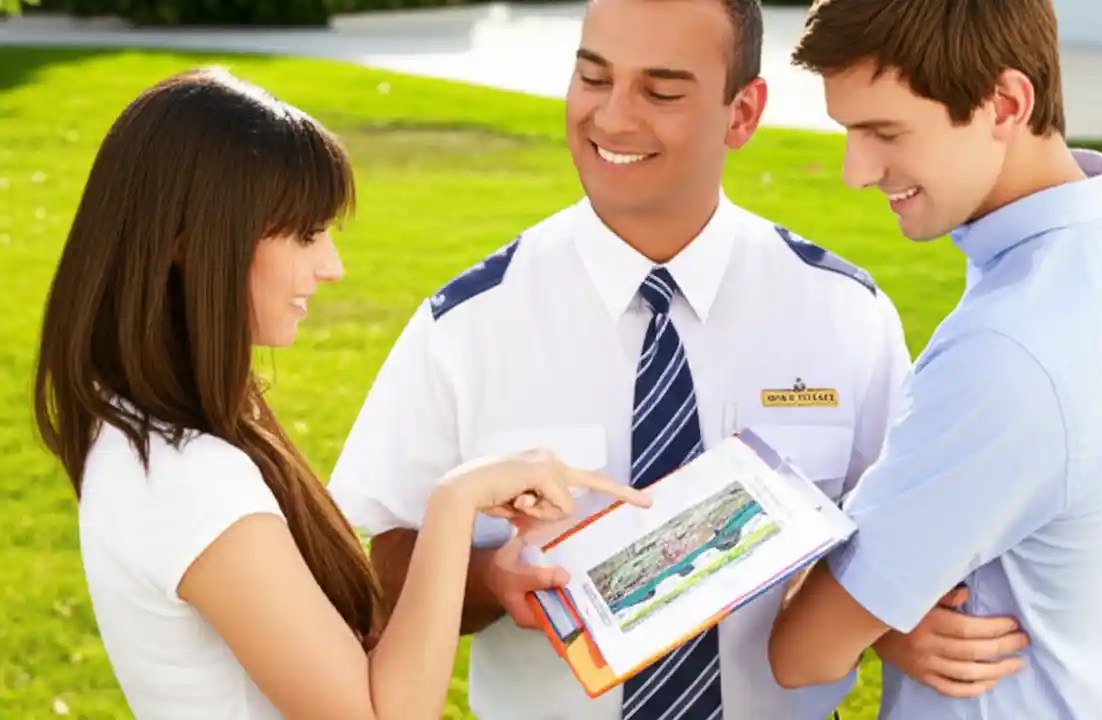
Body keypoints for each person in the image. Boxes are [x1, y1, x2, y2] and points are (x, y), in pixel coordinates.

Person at [326, 0, 1030, 717]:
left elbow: (900, 532)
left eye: (660, 92)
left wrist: (895, 627)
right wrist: (488, 580)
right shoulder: (466, 324)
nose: (612, 118)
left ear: (742, 114)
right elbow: (388, 561)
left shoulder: (844, 314)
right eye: (593, 79)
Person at [32, 68, 649, 720]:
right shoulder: (188, 480)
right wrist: (455, 501)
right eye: (304, 235)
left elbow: (351, 651)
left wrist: (489, 571)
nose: (331, 266)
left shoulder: (147, 431)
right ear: (191, 242)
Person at [767, 1, 1102, 718]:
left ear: (1005, 104)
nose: (856, 171)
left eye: (885, 132)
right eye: (849, 130)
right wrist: (891, 614)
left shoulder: (1008, 351)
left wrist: (872, 618)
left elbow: (804, 652)